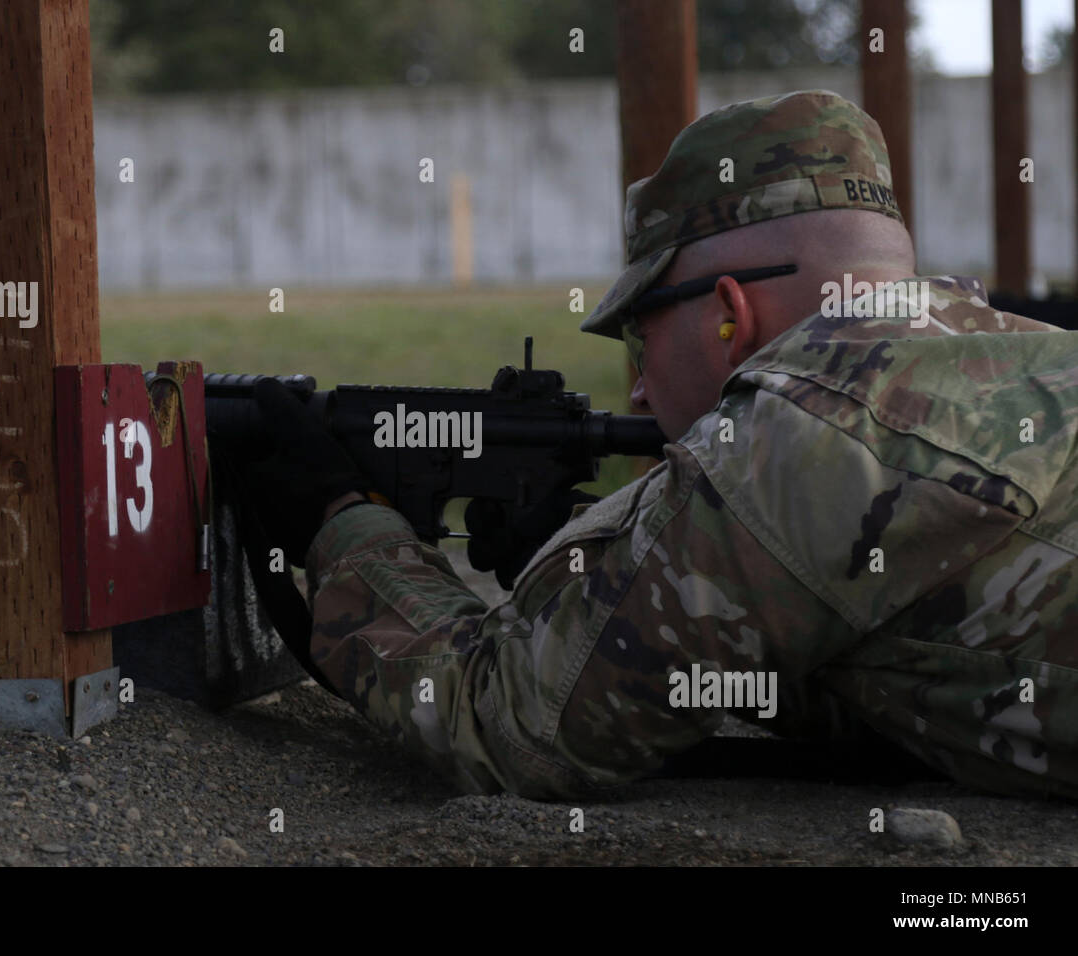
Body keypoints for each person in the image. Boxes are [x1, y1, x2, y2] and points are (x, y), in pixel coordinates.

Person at [238, 90, 1078, 801]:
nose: (637, 388)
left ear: (729, 313)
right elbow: (915, 668)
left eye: (641, 341)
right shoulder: (1002, 357)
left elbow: (506, 723)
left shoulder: (808, 423)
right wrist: (608, 576)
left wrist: (342, 522)